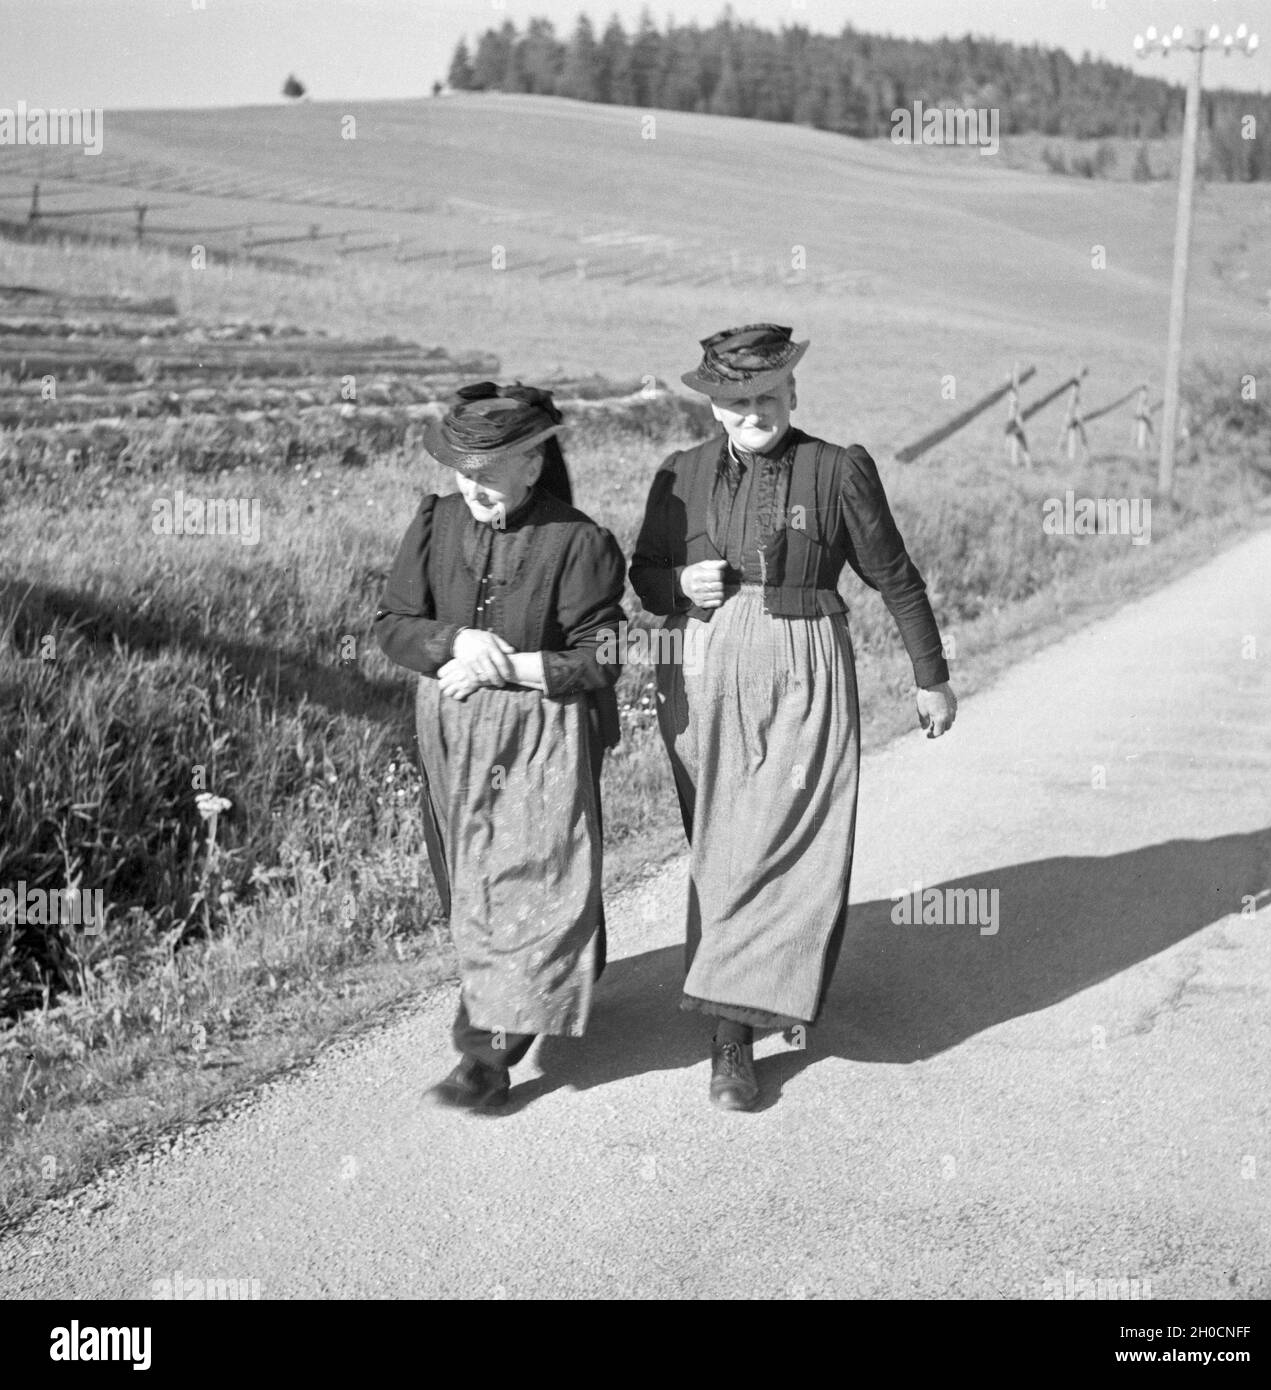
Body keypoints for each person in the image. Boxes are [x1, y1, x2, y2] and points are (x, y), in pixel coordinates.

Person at [630, 324, 957, 1111]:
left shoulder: (836, 471)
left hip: (806, 666)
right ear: (713, 406)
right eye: (736, 400)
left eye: (767, 396)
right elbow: (644, 578)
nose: (753, 412)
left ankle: (731, 1040)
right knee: (723, 844)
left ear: (793, 394)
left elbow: (896, 576)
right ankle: (744, 994)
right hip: (702, 671)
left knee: (790, 841)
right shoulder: (680, 475)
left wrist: (931, 677)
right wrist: (682, 585)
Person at [375, 382, 627, 1109]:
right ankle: (568, 961)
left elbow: (604, 654)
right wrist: (454, 640)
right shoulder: (434, 522)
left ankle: (483, 1061)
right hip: (450, 731)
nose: (474, 486)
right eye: (464, 470)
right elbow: (392, 623)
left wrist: (511, 665)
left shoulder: (578, 542)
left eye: (490, 470)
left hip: (543, 732)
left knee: (527, 877)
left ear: (532, 464)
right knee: (469, 882)